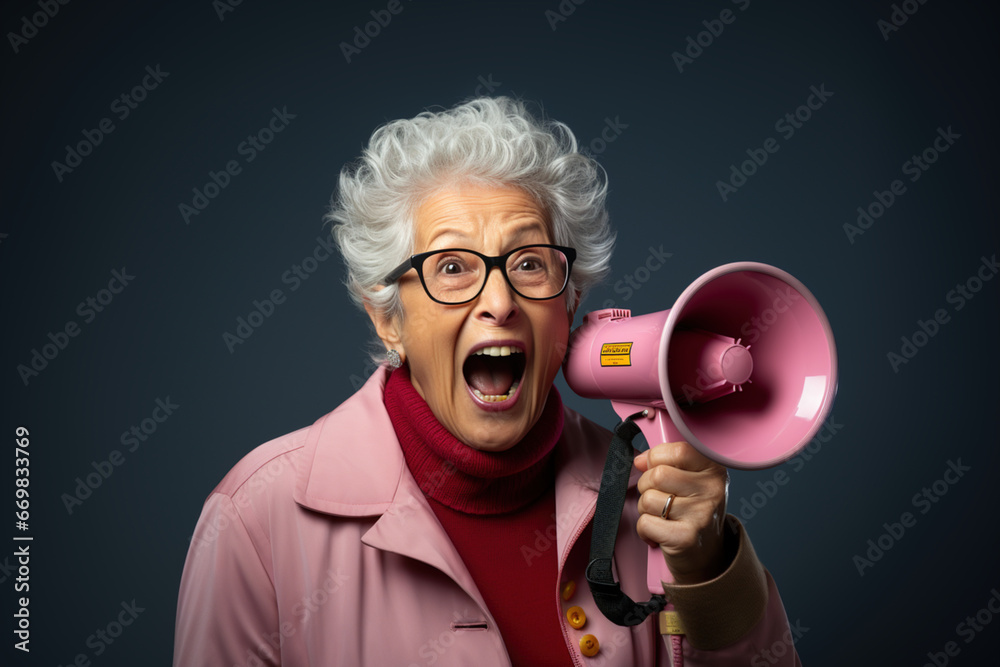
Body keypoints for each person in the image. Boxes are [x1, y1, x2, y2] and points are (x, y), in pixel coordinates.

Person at [173, 97, 801, 666]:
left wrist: (712, 571)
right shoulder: (257, 520)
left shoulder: (651, 498)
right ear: (388, 319)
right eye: (451, 267)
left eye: (528, 263)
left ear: (570, 305)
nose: (499, 302)